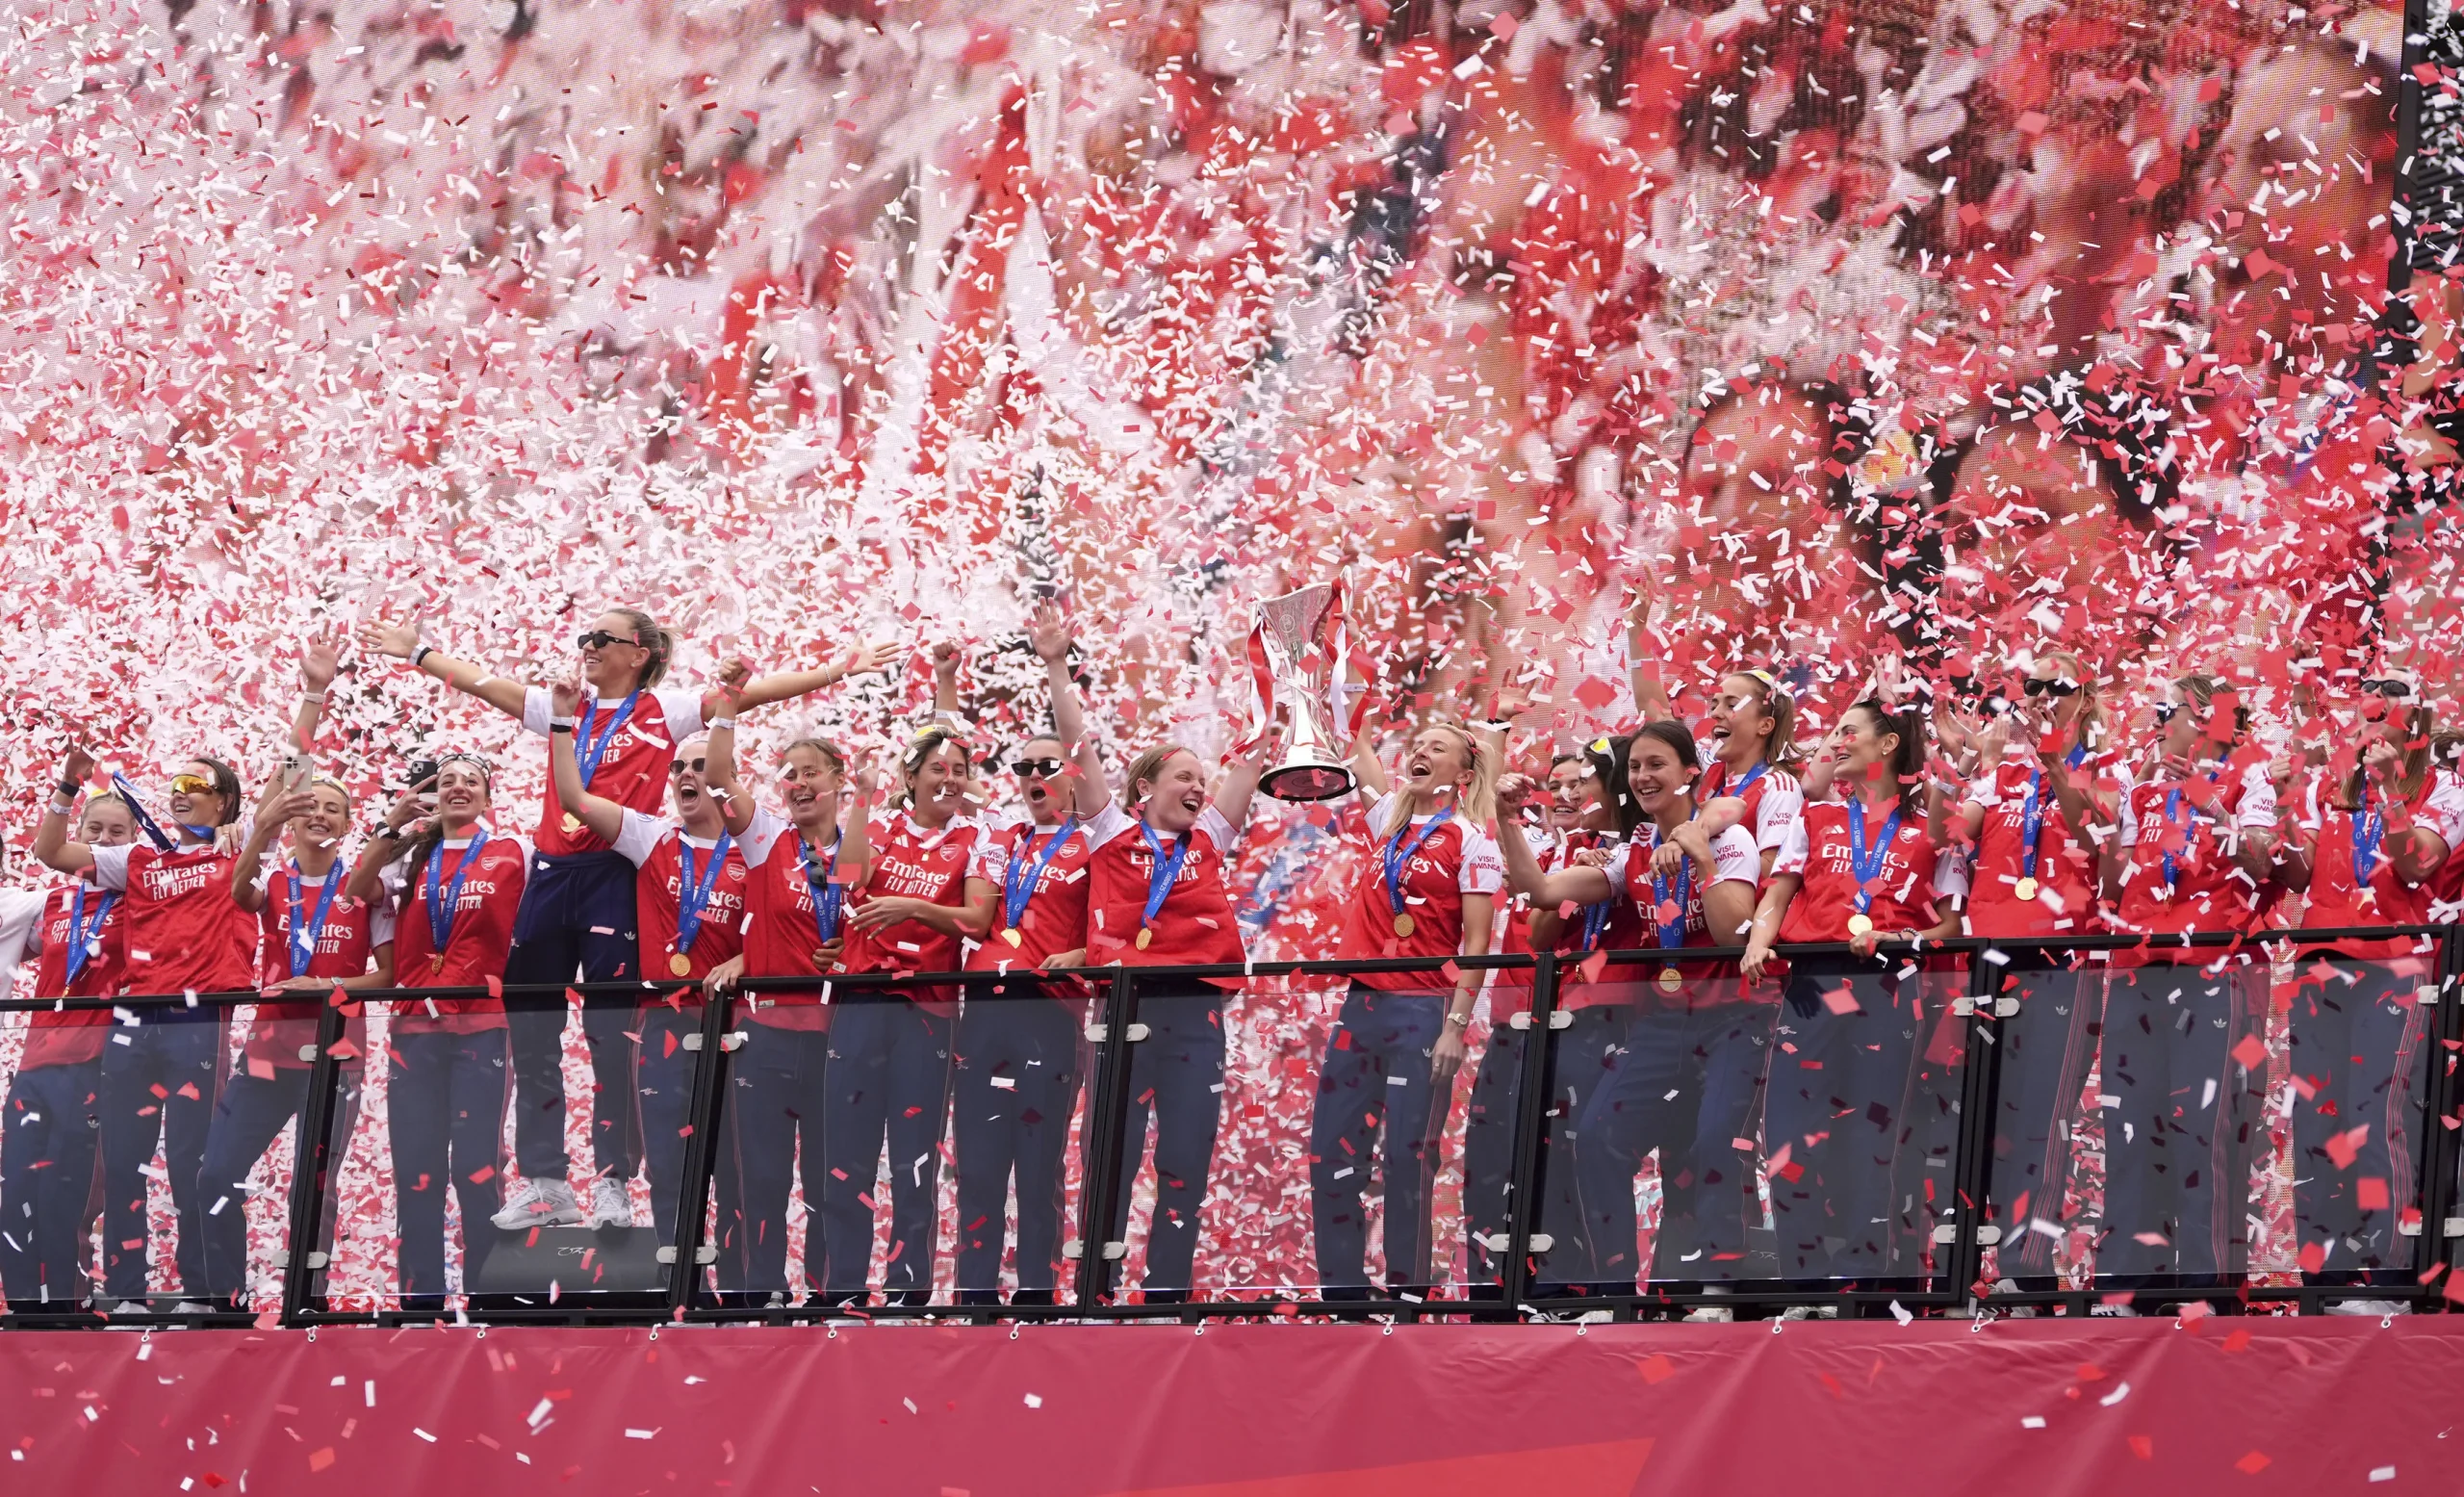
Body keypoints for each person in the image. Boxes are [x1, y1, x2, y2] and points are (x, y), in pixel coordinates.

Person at [357, 609, 889, 1234]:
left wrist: (838, 668)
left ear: (637, 652)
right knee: (531, 1027)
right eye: (583, 637)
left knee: (613, 1034)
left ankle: (613, 1178)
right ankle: (547, 1180)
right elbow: (482, 681)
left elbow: (751, 693)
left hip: (614, 872)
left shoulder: (667, 710)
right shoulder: (564, 703)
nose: (584, 647)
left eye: (598, 639)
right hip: (553, 875)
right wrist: (417, 651)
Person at [1499, 724, 1762, 1302]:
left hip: (1734, 1020)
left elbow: (1732, 930)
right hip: (1665, 1024)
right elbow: (1541, 892)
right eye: (1636, 766)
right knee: (1597, 1138)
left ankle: (1720, 1295)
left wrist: (1701, 860)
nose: (1643, 776)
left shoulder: (1731, 838)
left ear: (1691, 772)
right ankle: (1616, 1293)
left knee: (1717, 1143)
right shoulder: (1632, 850)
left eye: (1657, 764)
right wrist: (1507, 820)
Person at [197, 645, 397, 1305]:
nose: (319, 813)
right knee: (217, 1172)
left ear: (346, 826)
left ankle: (304, 1297)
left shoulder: (367, 889)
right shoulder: (275, 880)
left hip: (338, 1056)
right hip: (267, 1055)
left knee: (314, 1183)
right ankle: (224, 1297)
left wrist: (328, 988)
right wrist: (313, 697)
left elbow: (390, 976)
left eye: (334, 809)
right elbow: (237, 891)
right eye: (310, 805)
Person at [1741, 701, 1965, 1288]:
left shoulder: (1928, 829)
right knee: (1789, 1137)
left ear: (1887, 745)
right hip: (1812, 986)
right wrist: (1758, 941)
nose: (1834, 742)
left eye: (1847, 731)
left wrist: (1900, 936)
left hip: (1888, 988)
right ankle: (1803, 1281)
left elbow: (1953, 928)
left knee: (1872, 1137)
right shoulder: (1814, 817)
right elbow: (1778, 895)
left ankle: (1865, 1279)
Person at [33, 747, 254, 1315]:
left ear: (223, 801)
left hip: (197, 1018)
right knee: (125, 1159)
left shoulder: (240, 847)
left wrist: (311, 693)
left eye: (193, 784)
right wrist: (66, 787)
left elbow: (284, 795)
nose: (177, 791)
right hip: (133, 1020)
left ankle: (204, 1291)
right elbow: (52, 851)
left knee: (192, 1160)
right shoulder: (135, 857)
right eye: (174, 784)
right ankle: (127, 1292)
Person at [545, 678, 757, 1241]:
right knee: (668, 1162)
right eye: (677, 768)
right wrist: (562, 724)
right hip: (662, 1023)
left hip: (734, 1024)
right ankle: (678, 1291)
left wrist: (743, 959)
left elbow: (781, 927)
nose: (686, 775)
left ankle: (737, 1296)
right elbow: (573, 800)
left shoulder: (756, 847)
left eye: (697, 766)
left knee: (736, 1164)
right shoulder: (649, 836)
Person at [2096, 673, 2279, 1308]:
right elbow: (2113, 886)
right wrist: (2110, 811)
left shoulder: (2247, 777)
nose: (2155, 719)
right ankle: (2127, 1282)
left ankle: (2207, 1283)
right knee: (2130, 1125)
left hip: (2208, 970)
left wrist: (2205, 797)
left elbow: (2260, 861)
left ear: (2202, 718)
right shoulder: (2140, 785)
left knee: (2201, 1128)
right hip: (2139, 969)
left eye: (2164, 709)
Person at [2274, 698, 2459, 1310]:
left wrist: (2390, 792)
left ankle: (2389, 1277)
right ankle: (2323, 1279)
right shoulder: (2334, 789)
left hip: (2391, 966)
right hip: (2318, 961)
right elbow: (2300, 879)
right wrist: (2286, 803)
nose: (2371, 719)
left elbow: (2414, 867)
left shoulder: (2445, 790)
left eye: (2388, 707)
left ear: (2416, 730)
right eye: (2365, 709)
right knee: (2318, 1126)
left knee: (2376, 1121)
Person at [1309, 722, 1501, 1300]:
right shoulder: (1388, 822)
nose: (1419, 752)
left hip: (1423, 1010)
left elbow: (1477, 943)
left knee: (1406, 1158)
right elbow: (1355, 742)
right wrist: (1331, 668)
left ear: (1462, 775)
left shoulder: (1473, 840)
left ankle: (1407, 1289)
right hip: (1361, 1007)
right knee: (1332, 1151)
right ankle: (1342, 1292)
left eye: (1435, 747)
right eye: (1416, 744)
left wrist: (1456, 1027)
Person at [1945, 650, 2115, 1292]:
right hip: (1984, 967)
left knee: (2039, 1120)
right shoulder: (1998, 775)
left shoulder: (2109, 768)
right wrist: (1963, 765)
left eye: (2059, 686)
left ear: (2086, 699)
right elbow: (1947, 840)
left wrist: (2051, 762)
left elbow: (2095, 842)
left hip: (2059, 965)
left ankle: (2024, 1272)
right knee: (1978, 1117)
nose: (2044, 695)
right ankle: (1963, 1271)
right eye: (2034, 686)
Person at [1082, 734, 1265, 1303]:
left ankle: (1166, 1293)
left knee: (1186, 1155)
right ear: (1145, 788)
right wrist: (1059, 665)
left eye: (1201, 779)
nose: (1198, 787)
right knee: (1113, 1152)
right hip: (1125, 1009)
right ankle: (1098, 1289)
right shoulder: (1110, 830)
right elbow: (1079, 751)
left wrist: (1275, 709)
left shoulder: (1208, 837)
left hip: (1195, 1011)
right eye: (1183, 777)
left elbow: (1246, 772)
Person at [950, 609, 1100, 1307]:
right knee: (978, 1164)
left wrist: (1054, 666)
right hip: (982, 1015)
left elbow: (1120, 922)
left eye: (1048, 766)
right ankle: (975, 1296)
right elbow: (945, 771)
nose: (1034, 774)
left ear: (1071, 777)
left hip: (1049, 1014)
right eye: (1025, 767)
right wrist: (949, 684)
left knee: (1039, 1166)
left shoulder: (1096, 840)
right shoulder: (999, 835)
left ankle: (1038, 1295)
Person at [346, 756, 530, 1309]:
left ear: (487, 797)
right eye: (447, 781)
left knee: (477, 1168)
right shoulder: (412, 858)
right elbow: (359, 889)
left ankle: (487, 1297)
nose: (458, 788)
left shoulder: (510, 853)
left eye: (470, 780)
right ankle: (419, 1300)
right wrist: (393, 824)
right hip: (415, 1030)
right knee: (416, 1170)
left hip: (482, 1028)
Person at [823, 718, 987, 1306]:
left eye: (960, 771)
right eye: (938, 768)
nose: (950, 778)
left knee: (915, 1158)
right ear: (911, 776)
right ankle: (841, 1289)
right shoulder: (882, 823)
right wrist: (863, 795)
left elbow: (977, 921)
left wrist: (911, 907)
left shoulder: (978, 837)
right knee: (847, 1155)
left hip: (929, 1011)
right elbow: (847, 878)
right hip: (863, 1002)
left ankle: (907, 1292)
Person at [1464, 743, 1628, 1293]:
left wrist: (1576, 885)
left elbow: (1542, 930)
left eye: (1578, 783)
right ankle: (1490, 1289)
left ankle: (1570, 1290)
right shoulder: (1538, 846)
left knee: (1566, 1154)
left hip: (1587, 1026)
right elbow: (1535, 929)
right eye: (1555, 784)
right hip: (1517, 1026)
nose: (1566, 793)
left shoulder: (1628, 852)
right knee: (1493, 1158)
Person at [702, 717, 848, 1304]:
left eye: (812, 772)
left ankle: (823, 1294)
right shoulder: (764, 837)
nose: (799, 783)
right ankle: (756, 1293)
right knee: (758, 1178)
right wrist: (728, 708)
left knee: (826, 1180)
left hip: (837, 1040)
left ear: (839, 781)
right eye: (790, 774)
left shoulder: (860, 848)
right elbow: (716, 776)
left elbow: (861, 915)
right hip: (763, 1037)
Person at [0, 793, 136, 1308]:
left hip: (95, 1065)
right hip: (35, 1064)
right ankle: (21, 1308)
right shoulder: (51, 902)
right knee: (14, 1198)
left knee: (66, 1196)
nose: (102, 841)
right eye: (93, 830)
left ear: (132, 843)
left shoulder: (142, 902)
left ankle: (66, 1307)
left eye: (116, 833)